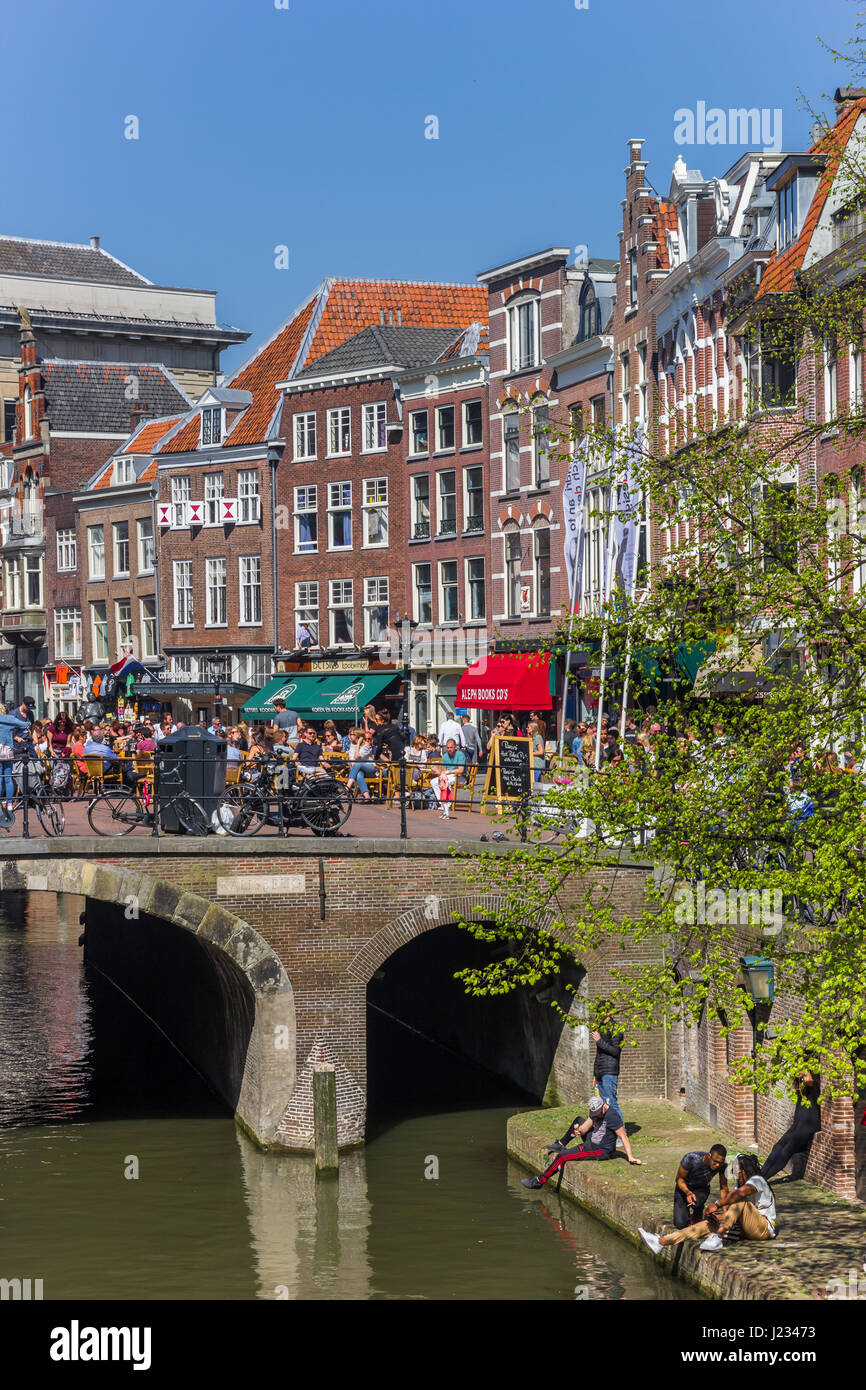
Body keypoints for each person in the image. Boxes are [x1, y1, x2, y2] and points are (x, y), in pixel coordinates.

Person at [639, 1154, 777, 1254]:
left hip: (763, 1229)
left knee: (739, 1200)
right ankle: (662, 1242)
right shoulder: (738, 1185)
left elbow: (740, 1196)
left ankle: (718, 1236)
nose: (733, 1174)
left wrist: (717, 1204)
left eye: (735, 1170)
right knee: (705, 1225)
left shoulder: (758, 1181)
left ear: (742, 1171)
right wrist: (717, 1217)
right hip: (743, 1229)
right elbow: (732, 1213)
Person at [522, 1095, 642, 1188]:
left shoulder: (612, 1116)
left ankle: (539, 1181)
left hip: (600, 1150)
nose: (596, 1115)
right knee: (578, 1120)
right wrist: (579, 1131)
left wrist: (630, 1157)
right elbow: (585, 1128)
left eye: (598, 1113)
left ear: (604, 1105)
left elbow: (624, 1136)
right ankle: (561, 1144)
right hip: (592, 1141)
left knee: (562, 1157)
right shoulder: (595, 1111)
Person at [760, 1070, 821, 1181]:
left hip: (809, 1124)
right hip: (799, 1124)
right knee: (778, 1146)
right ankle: (759, 1176)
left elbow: (810, 1080)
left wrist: (805, 1069)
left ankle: (762, 1179)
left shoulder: (815, 1081)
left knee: (786, 1151)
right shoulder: (800, 1086)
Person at [671, 1146, 729, 1228]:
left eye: (720, 1162)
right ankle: (685, 1210)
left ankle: (698, 1209)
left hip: (701, 1189)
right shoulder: (691, 1159)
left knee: (697, 1203)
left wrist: (725, 1211)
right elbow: (679, 1179)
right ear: (709, 1156)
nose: (717, 1165)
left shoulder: (723, 1165)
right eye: (715, 1162)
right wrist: (687, 1192)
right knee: (680, 1224)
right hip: (683, 1189)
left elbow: (724, 1187)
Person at [0, 704, 32, 811]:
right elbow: (25, 725)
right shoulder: (10, 718)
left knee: (0, 778)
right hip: (8, 750)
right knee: (8, 778)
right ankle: (9, 803)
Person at [592, 1014, 624, 1107]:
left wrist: (599, 1040)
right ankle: (608, 1122)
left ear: (608, 1012)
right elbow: (599, 1053)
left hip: (609, 1071)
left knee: (611, 1102)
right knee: (603, 1103)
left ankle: (618, 1122)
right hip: (600, 1071)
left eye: (601, 1011)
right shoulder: (602, 1028)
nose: (598, 1014)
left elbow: (615, 1051)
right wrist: (595, 1073)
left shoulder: (616, 1029)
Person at [435, 738, 466, 820]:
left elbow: (461, 770)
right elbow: (444, 770)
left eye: (451, 747)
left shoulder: (460, 754)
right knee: (434, 782)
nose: (449, 749)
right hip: (449, 776)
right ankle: (443, 805)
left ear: (455, 747)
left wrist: (448, 772)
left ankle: (447, 807)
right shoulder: (445, 756)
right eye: (447, 747)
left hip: (460, 777)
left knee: (446, 783)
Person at [346, 728, 376, 801]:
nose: (350, 736)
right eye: (350, 734)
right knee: (359, 775)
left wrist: (358, 743)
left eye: (353, 734)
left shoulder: (366, 745)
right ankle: (367, 796)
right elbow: (352, 760)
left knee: (358, 763)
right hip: (359, 768)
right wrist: (356, 746)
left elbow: (356, 757)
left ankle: (348, 786)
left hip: (370, 768)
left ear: (358, 736)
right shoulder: (352, 745)